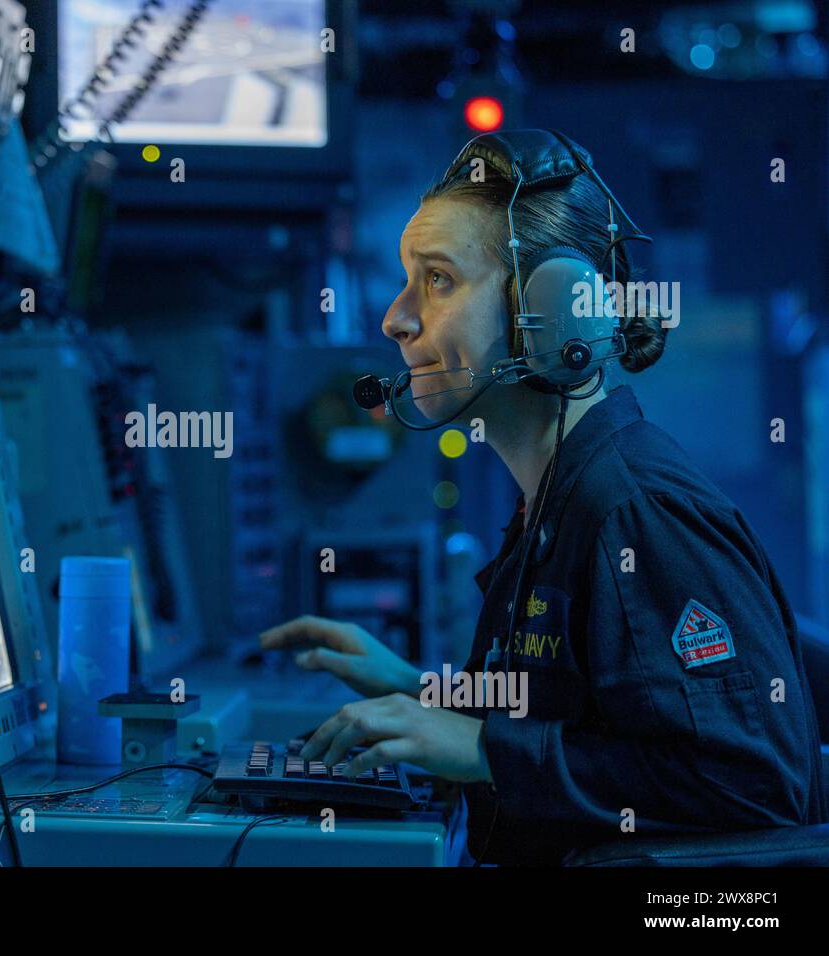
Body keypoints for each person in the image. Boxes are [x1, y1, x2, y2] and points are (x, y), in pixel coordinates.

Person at [260, 130, 825, 865]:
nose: (394, 319)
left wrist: (486, 748)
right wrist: (424, 694)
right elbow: (584, 721)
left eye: (436, 280)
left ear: (553, 313)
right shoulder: (556, 500)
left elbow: (753, 782)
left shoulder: (634, 511)